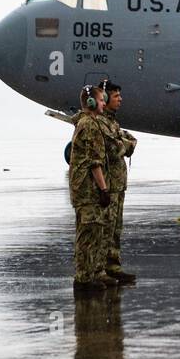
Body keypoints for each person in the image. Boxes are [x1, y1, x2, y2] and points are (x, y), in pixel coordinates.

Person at [68, 85, 116, 292]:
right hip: (87, 190)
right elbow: (95, 162)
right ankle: (83, 279)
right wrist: (104, 189)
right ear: (91, 102)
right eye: (101, 99)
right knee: (88, 234)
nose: (104, 102)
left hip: (85, 189)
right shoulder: (89, 125)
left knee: (91, 232)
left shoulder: (87, 123)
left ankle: (89, 275)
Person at [98, 79, 137, 283]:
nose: (120, 99)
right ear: (104, 98)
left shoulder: (112, 122)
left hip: (117, 185)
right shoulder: (100, 123)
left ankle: (112, 267)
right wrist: (126, 144)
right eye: (116, 96)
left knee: (115, 229)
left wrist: (125, 142)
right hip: (108, 185)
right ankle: (100, 271)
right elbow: (116, 148)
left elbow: (126, 141)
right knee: (105, 229)